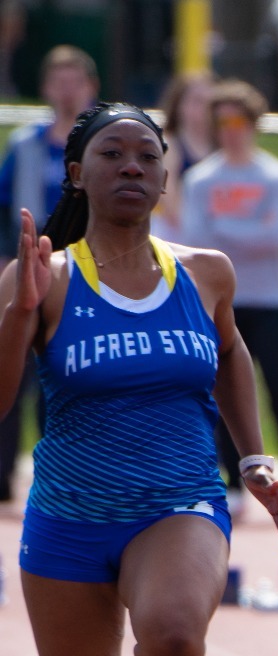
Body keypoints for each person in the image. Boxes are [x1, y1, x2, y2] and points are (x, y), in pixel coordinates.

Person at [0, 102, 278, 656]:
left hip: (178, 498)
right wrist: (18, 309)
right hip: (70, 516)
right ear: (77, 174)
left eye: (146, 156)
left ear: (167, 177)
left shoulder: (204, 272)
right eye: (111, 153)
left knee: (171, 635)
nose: (131, 166)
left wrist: (253, 457)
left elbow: (232, 351)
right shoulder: (41, 278)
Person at [179, 81, 278, 516]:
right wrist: (245, 229)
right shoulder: (200, 179)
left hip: (269, 299)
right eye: (224, 122)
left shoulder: (276, 176)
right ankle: (232, 484)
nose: (232, 130)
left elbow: (276, 238)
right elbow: (199, 240)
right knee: (221, 394)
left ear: (254, 124)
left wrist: (227, 228)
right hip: (221, 304)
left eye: (240, 121)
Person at [0, 45, 97, 506]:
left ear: (90, 87)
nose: (65, 88)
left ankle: (61, 474)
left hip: (81, 271)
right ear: (45, 88)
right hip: (26, 266)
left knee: (64, 371)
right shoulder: (25, 144)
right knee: (13, 369)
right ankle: (3, 478)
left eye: (73, 79)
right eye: (57, 79)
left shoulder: (103, 146)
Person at [151, 70, 212, 243]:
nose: (205, 109)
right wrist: (197, 236)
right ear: (179, 105)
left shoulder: (221, 147)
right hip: (177, 236)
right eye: (197, 101)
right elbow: (168, 199)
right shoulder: (170, 146)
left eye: (210, 103)